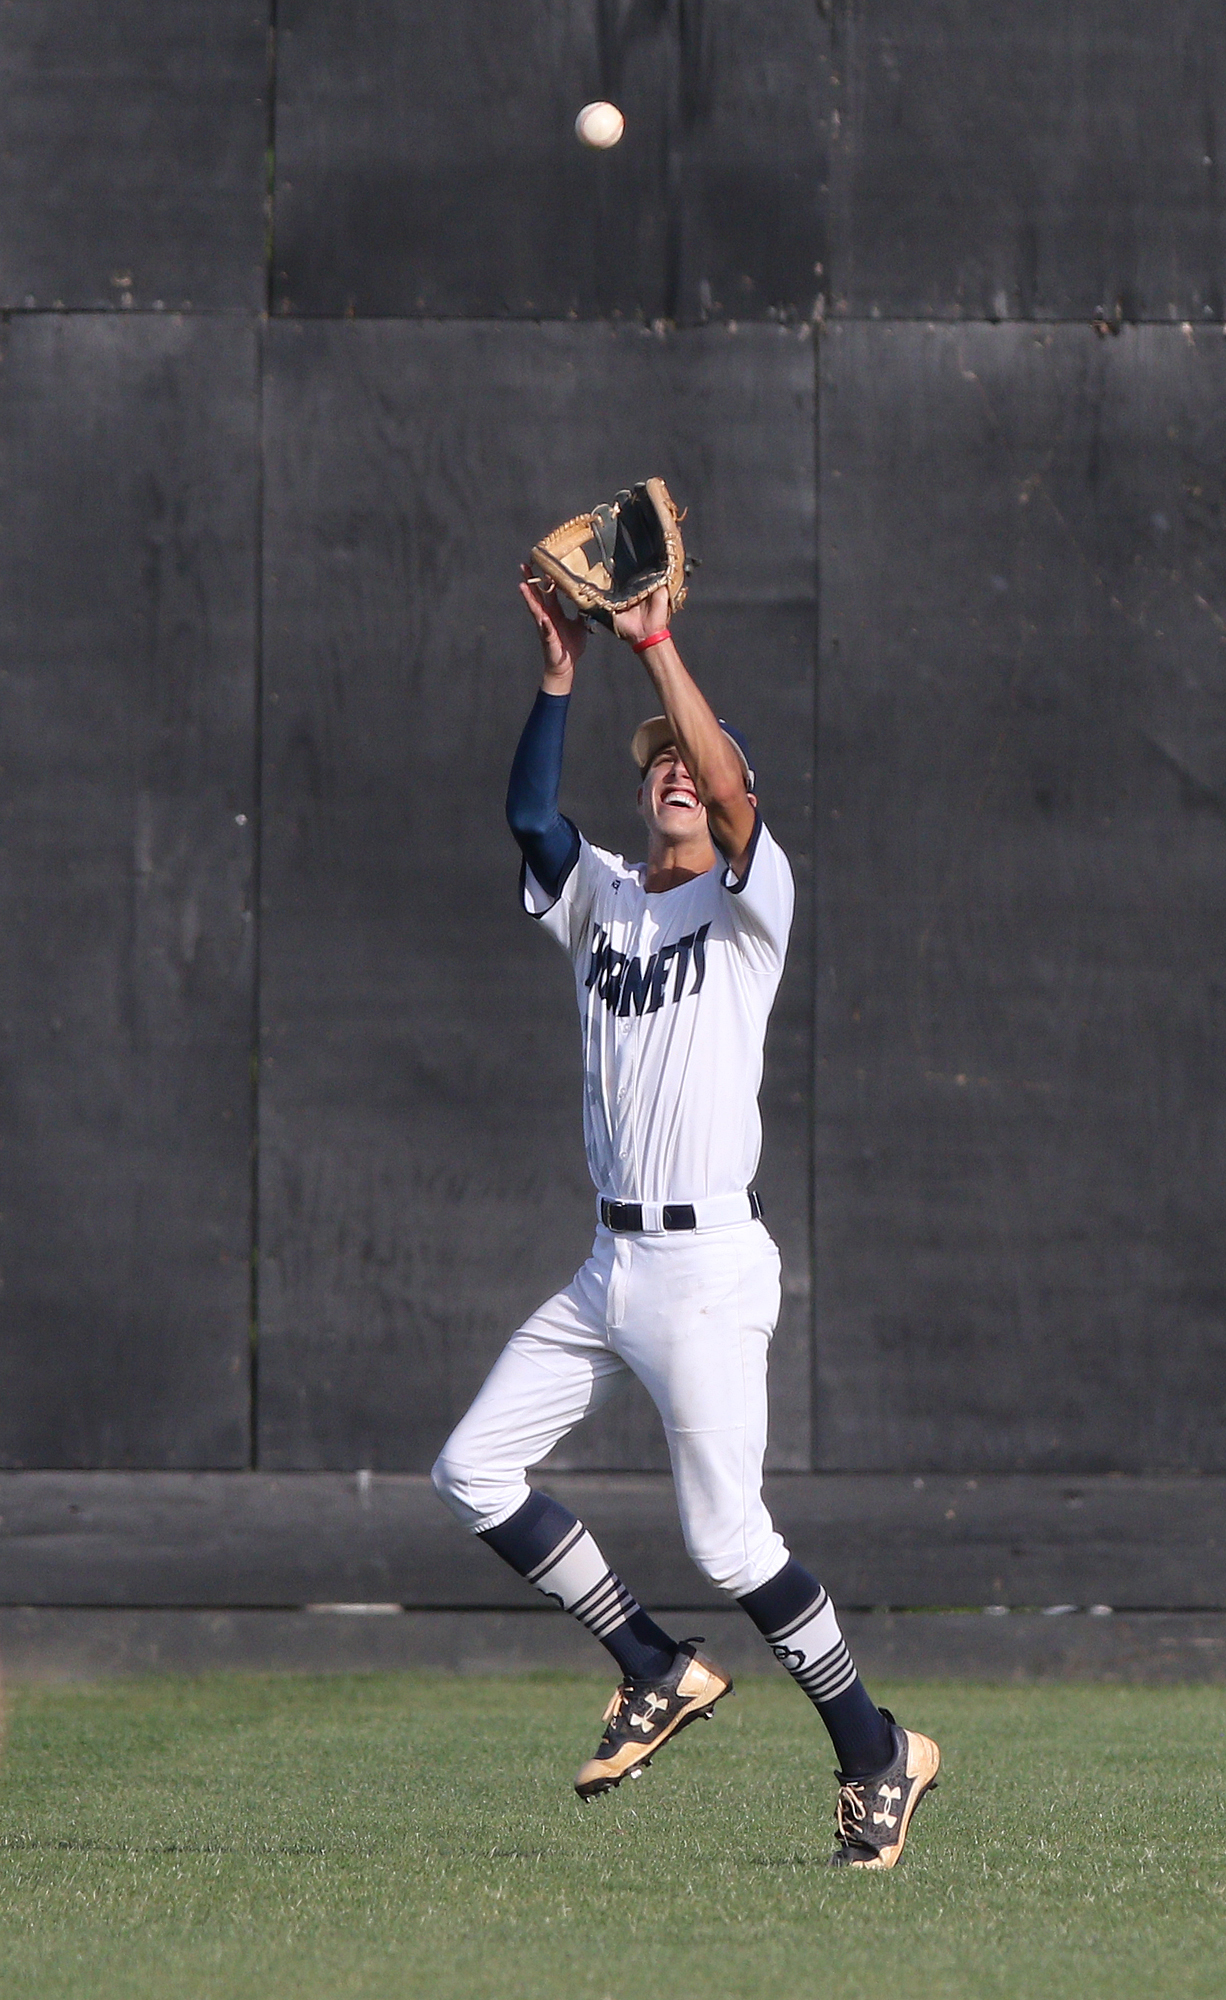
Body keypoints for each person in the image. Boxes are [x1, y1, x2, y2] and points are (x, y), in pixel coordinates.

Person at [432, 563, 940, 1867]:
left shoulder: (748, 906)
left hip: (709, 1265)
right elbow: (527, 811)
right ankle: (654, 1663)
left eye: (693, 767)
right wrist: (561, 675)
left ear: (733, 801)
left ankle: (877, 1755)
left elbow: (722, 782)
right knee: (474, 1470)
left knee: (729, 1536)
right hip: (611, 1265)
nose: (671, 774)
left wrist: (655, 642)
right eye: (654, 760)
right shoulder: (603, 893)